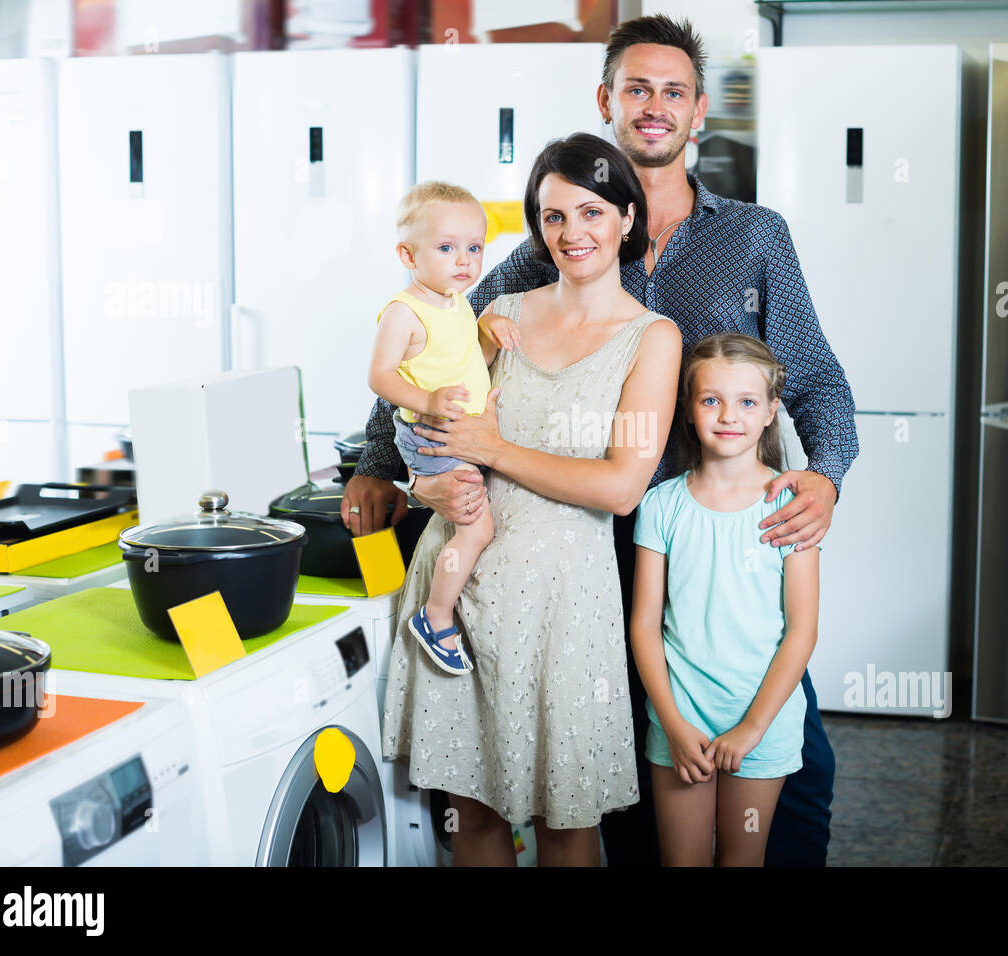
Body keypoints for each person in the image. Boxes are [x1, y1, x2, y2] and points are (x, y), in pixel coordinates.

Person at [347, 14, 857, 866]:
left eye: (674, 91)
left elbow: (817, 382)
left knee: (787, 786)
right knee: (609, 782)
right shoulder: (531, 265)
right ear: (606, 102)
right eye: (636, 89)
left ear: (700, 114)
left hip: (706, 543)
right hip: (584, 553)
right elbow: (438, 347)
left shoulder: (754, 238)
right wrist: (378, 460)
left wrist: (827, 476)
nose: (654, 106)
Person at [379, 133, 683, 865]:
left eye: (591, 212)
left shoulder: (652, 339)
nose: (573, 233)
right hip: (458, 597)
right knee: (473, 811)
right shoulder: (497, 313)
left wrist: (495, 451)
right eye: (552, 217)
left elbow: (621, 485)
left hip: (563, 606)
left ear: (626, 219)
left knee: (566, 819)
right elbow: (426, 424)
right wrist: (422, 484)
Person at [632, 334, 820, 866]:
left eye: (746, 402)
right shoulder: (661, 505)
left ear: (770, 413)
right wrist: (671, 722)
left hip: (762, 723)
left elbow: (801, 630)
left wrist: (752, 729)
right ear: (688, 412)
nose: (727, 415)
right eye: (710, 400)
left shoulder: (790, 507)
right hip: (681, 721)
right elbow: (645, 625)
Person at [366, 182, 519, 675]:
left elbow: (460, 356)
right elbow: (381, 376)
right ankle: (435, 616)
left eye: (474, 248)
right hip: (429, 436)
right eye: (447, 248)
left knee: (475, 524)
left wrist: (486, 333)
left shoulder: (456, 301)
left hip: (458, 430)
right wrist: (428, 401)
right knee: (478, 528)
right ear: (408, 254)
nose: (464, 261)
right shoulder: (403, 312)